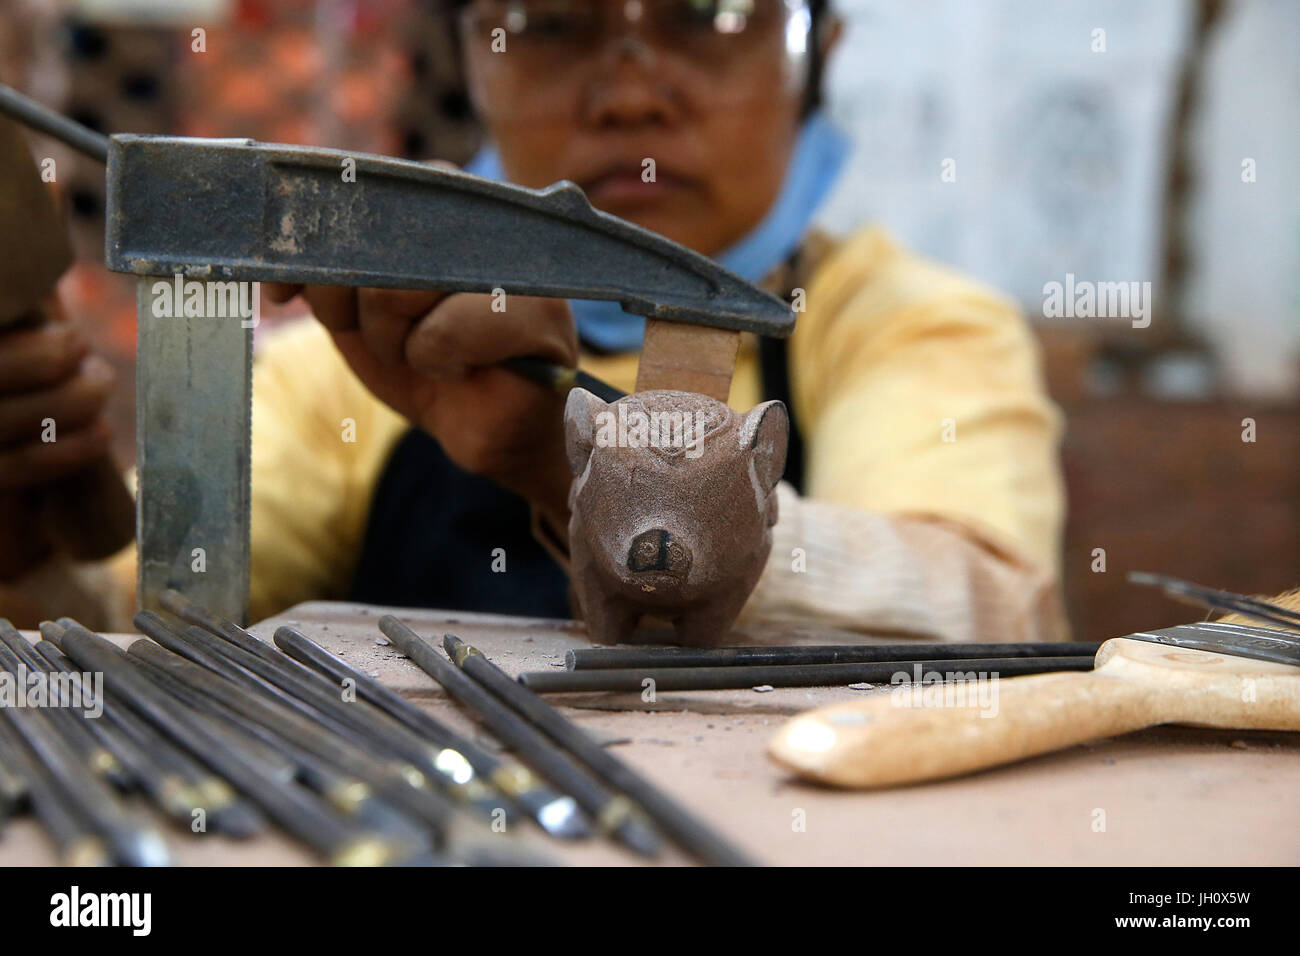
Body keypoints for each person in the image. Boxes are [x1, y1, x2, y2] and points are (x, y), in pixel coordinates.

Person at [0, 0, 1066, 642]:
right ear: (473, 62)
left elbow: (987, 615)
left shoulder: (905, 326)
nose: (630, 98)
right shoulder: (350, 351)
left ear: (817, 55)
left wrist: (573, 470)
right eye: (549, 23)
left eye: (714, 15)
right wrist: (23, 547)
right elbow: (114, 622)